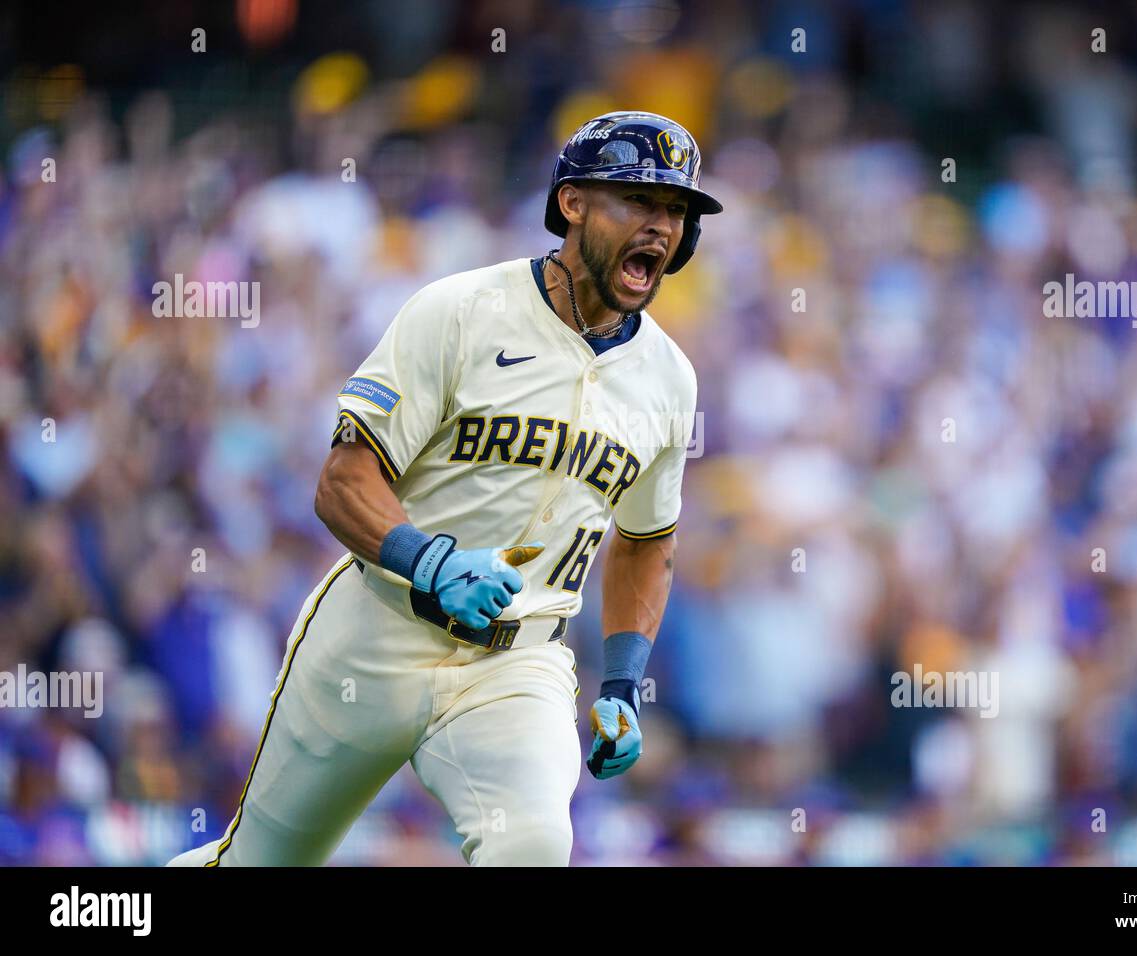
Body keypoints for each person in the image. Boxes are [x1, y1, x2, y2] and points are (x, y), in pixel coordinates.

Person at [167, 111, 722, 866]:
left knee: (532, 844)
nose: (661, 226)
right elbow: (342, 482)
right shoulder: (460, 311)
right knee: (260, 864)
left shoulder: (669, 377)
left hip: (516, 663)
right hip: (379, 629)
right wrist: (431, 563)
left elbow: (647, 541)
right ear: (572, 203)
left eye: (676, 210)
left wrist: (623, 684)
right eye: (638, 200)